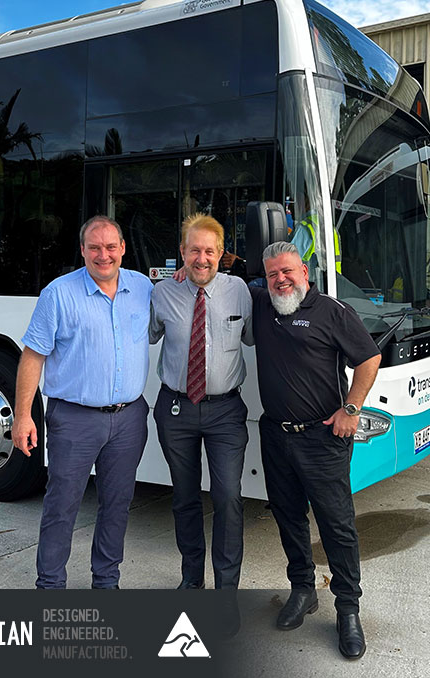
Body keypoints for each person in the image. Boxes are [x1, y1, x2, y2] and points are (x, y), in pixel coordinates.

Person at [253, 241, 381, 660]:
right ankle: (303, 590)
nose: (281, 280)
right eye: (273, 274)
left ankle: (348, 609)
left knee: (336, 525)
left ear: (304, 272)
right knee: (288, 517)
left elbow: (369, 358)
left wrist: (351, 409)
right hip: (276, 436)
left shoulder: (331, 311)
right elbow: (215, 277)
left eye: (287, 271)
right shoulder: (262, 303)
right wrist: (185, 271)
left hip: (322, 439)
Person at [13, 215, 154, 590]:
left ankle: (106, 581)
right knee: (62, 506)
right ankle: (50, 586)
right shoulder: (58, 294)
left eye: (110, 247)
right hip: (74, 420)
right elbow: (33, 356)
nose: (103, 255)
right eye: (94, 247)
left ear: (123, 248)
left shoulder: (143, 287)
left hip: (129, 419)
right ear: (82, 250)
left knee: (117, 504)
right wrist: (23, 415)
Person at [150, 213, 253, 590]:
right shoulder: (162, 293)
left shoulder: (240, 290)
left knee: (227, 497)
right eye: (194, 251)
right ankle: (191, 580)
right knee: (184, 497)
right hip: (175, 410)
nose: (202, 258)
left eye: (209, 251)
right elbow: (145, 334)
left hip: (225, 412)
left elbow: (254, 336)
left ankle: (226, 591)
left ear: (221, 253)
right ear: (182, 252)